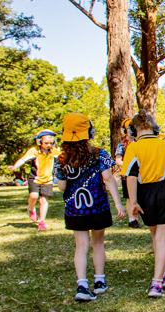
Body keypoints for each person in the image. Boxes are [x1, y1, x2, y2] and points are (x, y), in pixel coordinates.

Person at [54, 114, 126, 301]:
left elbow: (61, 186)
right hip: (97, 205)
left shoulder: (61, 158)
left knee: (81, 246)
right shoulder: (99, 154)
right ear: (89, 132)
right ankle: (100, 281)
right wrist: (118, 203)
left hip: (74, 208)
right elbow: (109, 178)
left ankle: (82, 285)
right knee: (98, 243)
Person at [122, 110, 165, 298]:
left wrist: (133, 202)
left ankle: (163, 275)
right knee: (162, 238)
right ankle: (158, 281)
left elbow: (131, 177)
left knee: (155, 235)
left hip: (144, 194)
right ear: (154, 127)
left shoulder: (133, 148)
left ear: (134, 130)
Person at [9, 129, 61, 230]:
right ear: (39, 141)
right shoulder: (34, 151)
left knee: (43, 200)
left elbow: (63, 159)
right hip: (35, 178)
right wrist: (15, 167)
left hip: (47, 180)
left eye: (51, 143)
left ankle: (42, 221)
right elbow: (23, 160)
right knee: (33, 196)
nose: (48, 145)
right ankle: (31, 208)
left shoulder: (54, 151)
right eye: (46, 143)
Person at [113, 118, 141, 228]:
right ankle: (131, 219)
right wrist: (130, 166)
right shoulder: (122, 144)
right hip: (128, 175)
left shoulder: (139, 143)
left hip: (140, 174)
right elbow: (118, 160)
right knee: (130, 197)